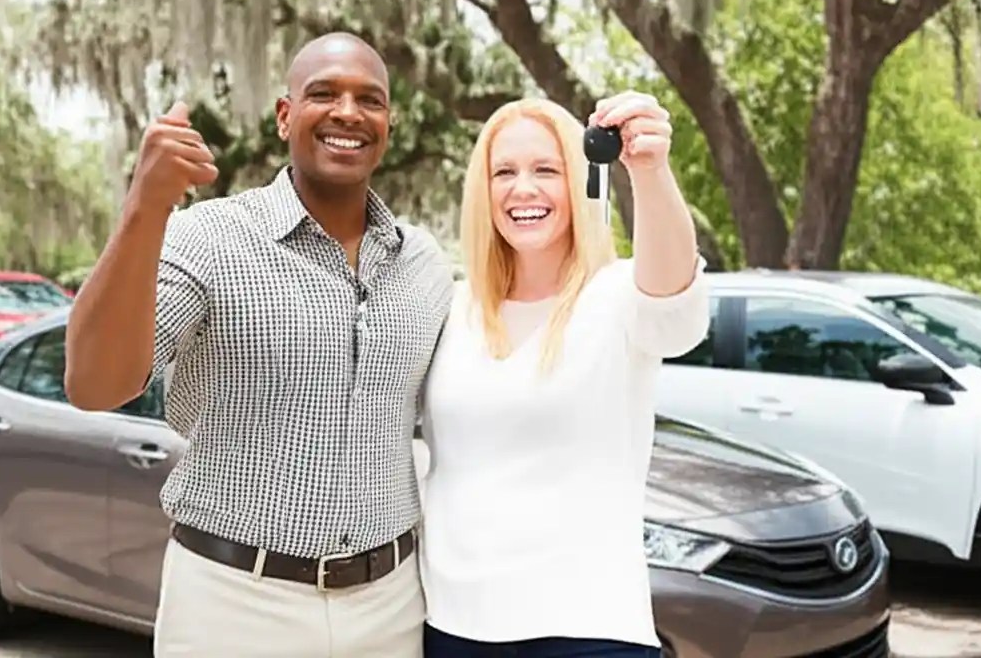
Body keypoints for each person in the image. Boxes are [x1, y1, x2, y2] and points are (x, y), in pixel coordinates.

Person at [64, 32, 455, 657]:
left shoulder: (425, 264)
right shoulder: (207, 238)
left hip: (392, 606)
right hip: (234, 604)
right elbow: (94, 384)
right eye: (323, 94)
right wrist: (144, 206)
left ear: (388, 123)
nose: (348, 113)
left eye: (369, 100)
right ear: (284, 116)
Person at [417, 94, 710, 657]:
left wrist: (648, 171)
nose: (523, 189)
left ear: (579, 182)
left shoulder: (618, 295)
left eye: (545, 170)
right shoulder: (453, 309)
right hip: (456, 628)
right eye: (505, 172)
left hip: (588, 628)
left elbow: (676, 311)